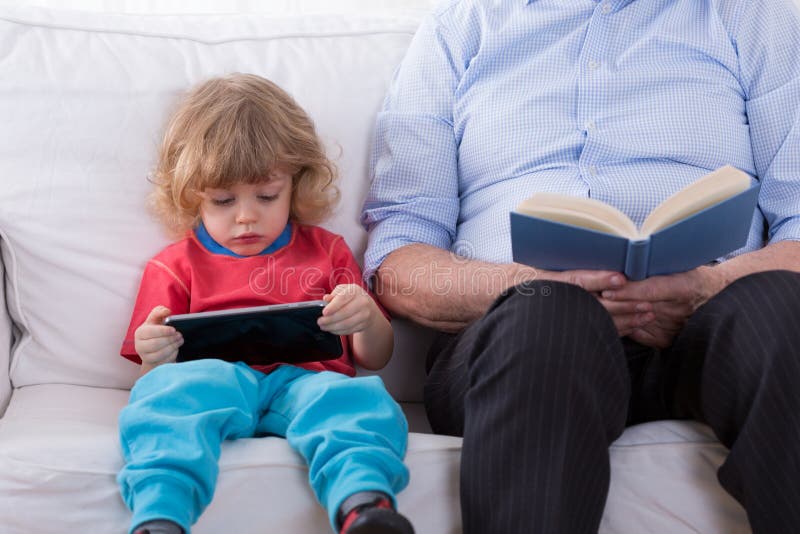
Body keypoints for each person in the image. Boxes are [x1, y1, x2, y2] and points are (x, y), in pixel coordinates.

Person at [362, 1, 800, 533]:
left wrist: (706, 286)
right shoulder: (460, 28)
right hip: (523, 332)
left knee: (781, 311)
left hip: (709, 319)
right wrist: (523, 284)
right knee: (549, 315)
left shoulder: (751, 16)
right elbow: (399, 258)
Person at [117, 73, 414, 534]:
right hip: (211, 380)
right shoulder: (174, 265)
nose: (246, 215)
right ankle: (160, 519)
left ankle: (364, 508)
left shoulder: (328, 251)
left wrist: (365, 316)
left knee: (358, 402)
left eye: (266, 195)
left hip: (308, 382)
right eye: (222, 200)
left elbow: (374, 358)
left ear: (297, 182)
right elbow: (150, 383)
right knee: (165, 402)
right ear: (189, 195)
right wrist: (154, 354)